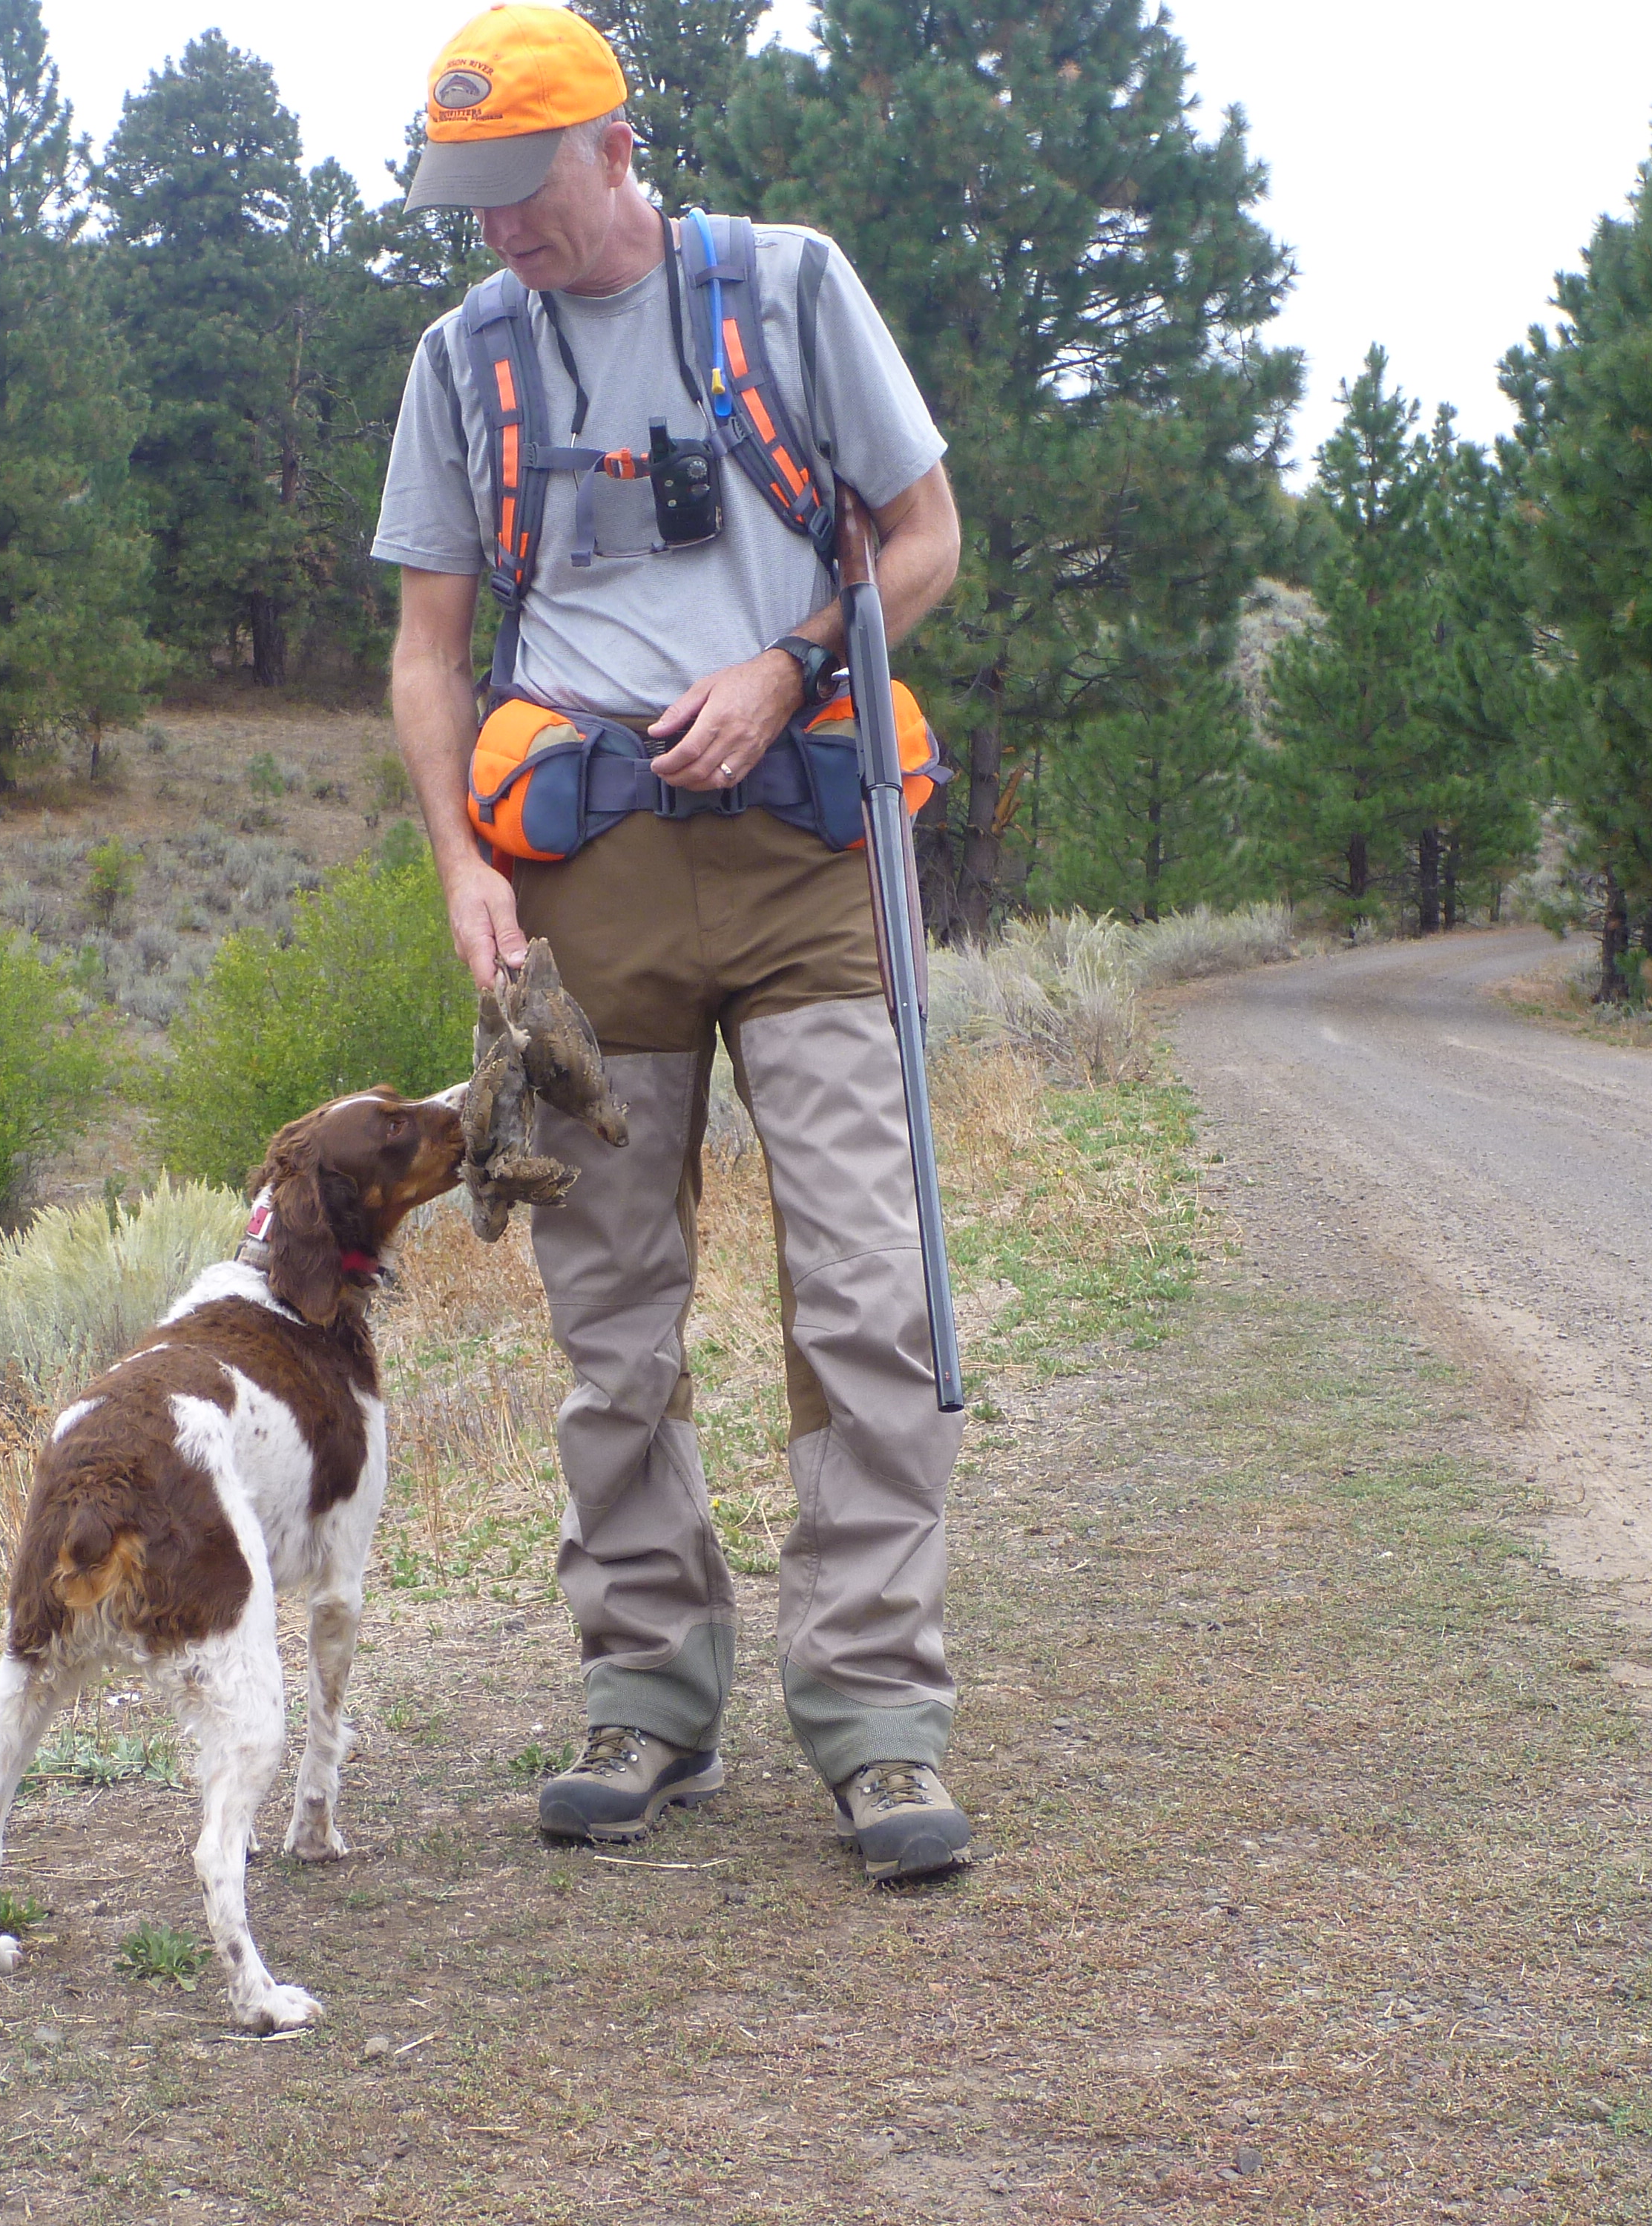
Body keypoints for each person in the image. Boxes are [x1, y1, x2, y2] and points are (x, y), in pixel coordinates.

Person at [372, 2, 974, 1881]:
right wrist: (459, 867)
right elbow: (424, 655)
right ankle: (644, 1693)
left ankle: (874, 1712)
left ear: (615, 150)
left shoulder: (790, 294)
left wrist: (786, 659)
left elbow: (927, 539)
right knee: (607, 1318)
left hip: (805, 851)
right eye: (463, 201)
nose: (498, 234)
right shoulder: (458, 362)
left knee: (867, 1287)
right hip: (584, 881)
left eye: (520, 191)